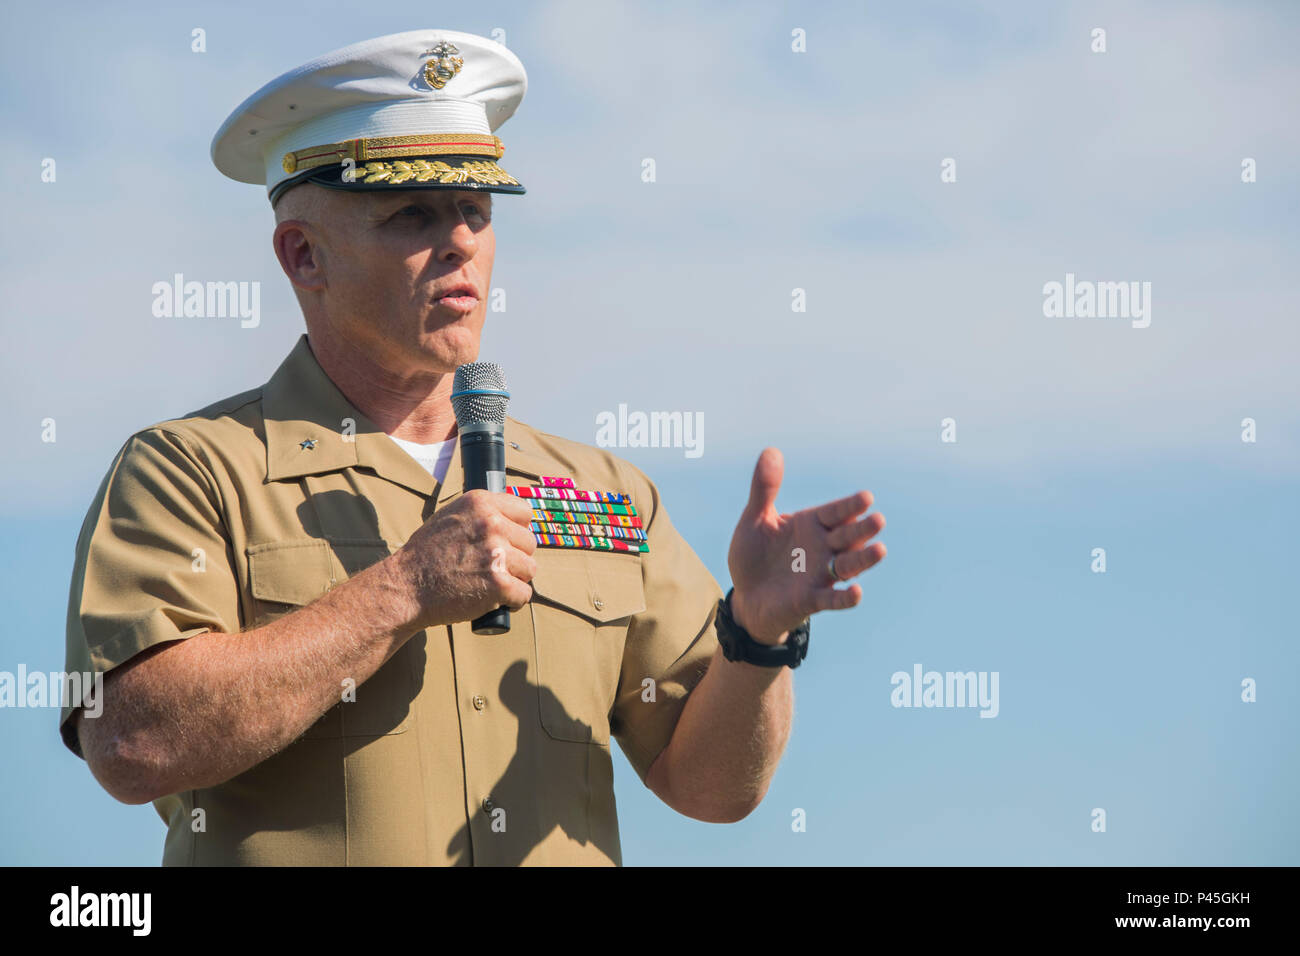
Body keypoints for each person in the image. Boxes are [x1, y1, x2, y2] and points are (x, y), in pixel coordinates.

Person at [59, 29, 886, 865]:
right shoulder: (194, 470)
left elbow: (712, 790)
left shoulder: (606, 492)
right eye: (411, 213)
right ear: (303, 254)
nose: (459, 242)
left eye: (475, 211)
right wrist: (404, 591)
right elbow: (133, 745)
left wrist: (758, 635)